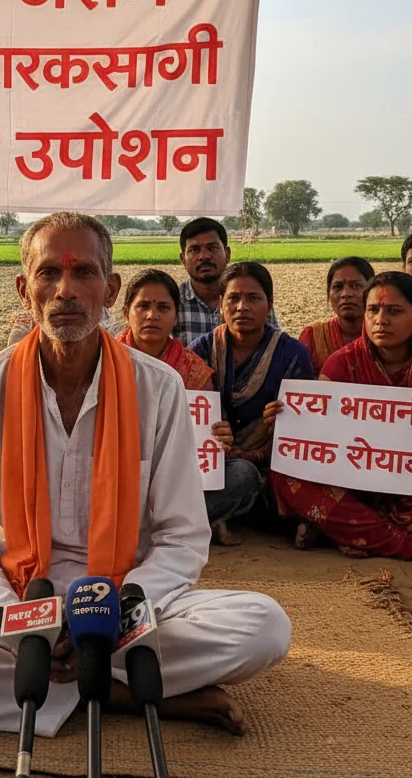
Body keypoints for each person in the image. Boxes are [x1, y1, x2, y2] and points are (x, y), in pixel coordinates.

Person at [0, 213, 291, 738]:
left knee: (264, 627)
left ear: (109, 289)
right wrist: (20, 625)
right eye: (48, 274)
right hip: (19, 592)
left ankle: (5, 692)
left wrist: (106, 620)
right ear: (24, 289)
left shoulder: (159, 387)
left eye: (83, 273)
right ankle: (122, 694)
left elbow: (182, 537)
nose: (65, 291)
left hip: (126, 596)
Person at [272, 272, 412, 570]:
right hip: (351, 487)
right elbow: (318, 435)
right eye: (373, 310)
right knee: (287, 476)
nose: (380, 320)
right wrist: (288, 420)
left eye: (394, 311)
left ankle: (344, 530)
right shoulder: (341, 363)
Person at [117, 268, 258, 545]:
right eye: (143, 306)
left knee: (242, 475)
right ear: (126, 313)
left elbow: (205, 440)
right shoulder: (102, 362)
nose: (152, 315)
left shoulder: (194, 371)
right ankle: (175, 531)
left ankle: (147, 532)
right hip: (118, 479)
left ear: (176, 316)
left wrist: (220, 437)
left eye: (163, 307)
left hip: (175, 483)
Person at [190, 262, 313, 479]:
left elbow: (304, 428)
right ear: (220, 304)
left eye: (253, 298)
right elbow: (186, 418)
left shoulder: (293, 355)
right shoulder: (201, 351)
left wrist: (283, 421)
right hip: (207, 462)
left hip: (272, 462)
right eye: (233, 298)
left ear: (270, 303)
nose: (242, 307)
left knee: (245, 475)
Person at [174, 218, 278, 346]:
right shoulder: (173, 304)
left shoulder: (253, 298)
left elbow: (275, 347)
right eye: (194, 250)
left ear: (227, 254)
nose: (204, 256)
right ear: (183, 259)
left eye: (212, 247)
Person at [298, 257, 375, 374]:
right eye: (337, 287)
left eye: (356, 286)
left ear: (372, 292)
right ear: (328, 294)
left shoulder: (386, 335)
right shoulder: (314, 337)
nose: (346, 294)